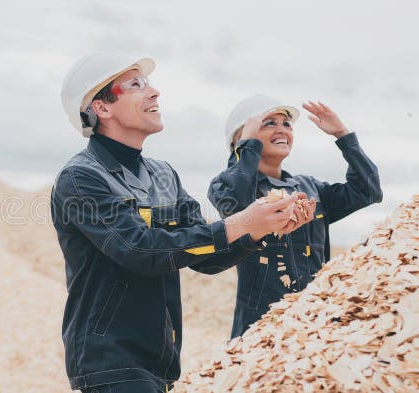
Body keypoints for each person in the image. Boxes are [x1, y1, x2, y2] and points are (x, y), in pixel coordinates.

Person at [52, 53, 315, 393]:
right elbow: (139, 249)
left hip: (161, 361)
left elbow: (206, 256)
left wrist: (257, 229)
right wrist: (241, 222)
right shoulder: (81, 178)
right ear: (101, 107)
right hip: (110, 363)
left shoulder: (162, 175)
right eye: (136, 84)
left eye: (148, 83)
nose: (154, 92)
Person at [207, 94, 383, 339]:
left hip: (315, 327)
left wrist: (342, 135)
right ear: (242, 136)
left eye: (287, 124)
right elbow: (235, 199)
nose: (282, 129)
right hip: (260, 331)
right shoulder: (227, 185)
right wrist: (246, 146)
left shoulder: (310, 188)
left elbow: (368, 190)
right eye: (269, 123)